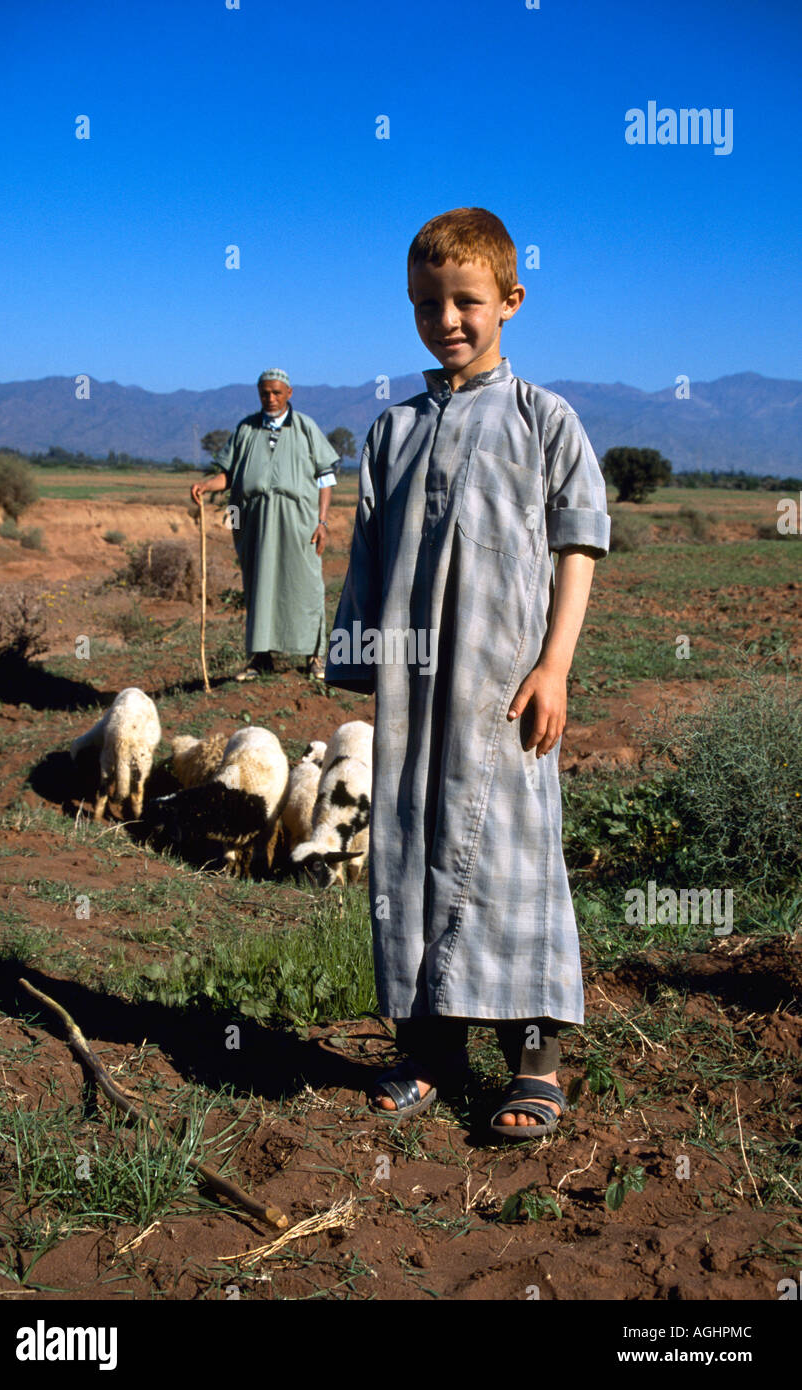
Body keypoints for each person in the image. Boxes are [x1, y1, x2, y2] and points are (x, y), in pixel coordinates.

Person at [325, 208, 611, 1140]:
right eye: (426, 303)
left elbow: (579, 544)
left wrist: (556, 666)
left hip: (508, 688)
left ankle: (536, 1064)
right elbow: (368, 556)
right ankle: (428, 1052)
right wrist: (363, 660)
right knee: (405, 853)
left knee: (518, 859)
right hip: (411, 695)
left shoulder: (545, 419)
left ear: (511, 302)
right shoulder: (393, 431)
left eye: (466, 301)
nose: (446, 318)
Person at [190, 370, 338, 680]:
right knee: (260, 585)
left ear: (289, 393)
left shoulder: (305, 428)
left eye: (276, 393)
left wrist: (322, 521)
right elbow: (228, 475)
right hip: (254, 522)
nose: (270, 399)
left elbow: (326, 478)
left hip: (300, 521)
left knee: (306, 585)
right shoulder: (246, 428)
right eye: (264, 393)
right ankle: (260, 658)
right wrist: (206, 485)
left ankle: (315, 656)